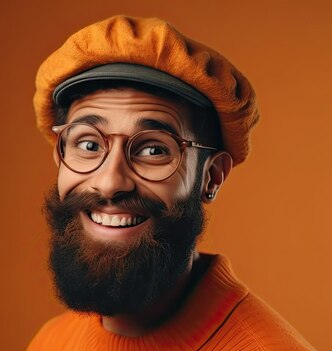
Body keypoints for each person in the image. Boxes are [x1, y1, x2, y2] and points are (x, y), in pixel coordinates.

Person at [28, 15, 315, 350]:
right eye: (89, 145)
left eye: (153, 149)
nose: (109, 183)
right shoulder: (53, 340)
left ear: (211, 176)